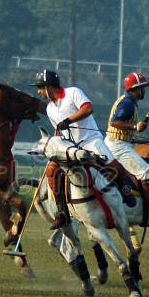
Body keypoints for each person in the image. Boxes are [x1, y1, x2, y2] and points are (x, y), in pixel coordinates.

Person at [30, 69, 120, 230]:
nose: (39, 91)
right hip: (70, 149)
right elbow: (59, 130)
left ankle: (126, 193)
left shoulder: (73, 93)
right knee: (52, 170)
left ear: (49, 86)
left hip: (91, 141)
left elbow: (87, 108)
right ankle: (61, 212)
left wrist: (68, 120)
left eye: (40, 87)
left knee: (113, 166)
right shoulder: (50, 109)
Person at [105, 72, 149, 226]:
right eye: (142, 88)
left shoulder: (128, 100)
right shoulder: (128, 104)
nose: (144, 91)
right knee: (146, 172)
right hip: (118, 145)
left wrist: (132, 134)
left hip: (121, 142)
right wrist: (135, 127)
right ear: (135, 89)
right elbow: (115, 123)